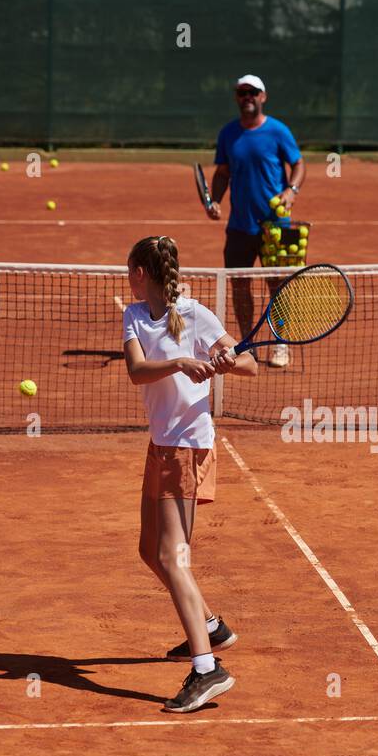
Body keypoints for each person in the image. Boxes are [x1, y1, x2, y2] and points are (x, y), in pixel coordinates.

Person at [121, 234, 259, 712]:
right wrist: (181, 361)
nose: (127, 276)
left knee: (173, 556)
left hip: (188, 449)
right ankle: (213, 627)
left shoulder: (197, 314)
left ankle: (207, 669)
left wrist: (224, 362)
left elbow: (250, 364)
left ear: (142, 273)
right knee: (148, 551)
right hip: (160, 445)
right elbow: (138, 372)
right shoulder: (134, 316)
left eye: (129, 269)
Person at [204, 74, 305, 367]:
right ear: (237, 97)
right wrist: (215, 201)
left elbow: (298, 164)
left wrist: (292, 190)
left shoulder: (278, 131)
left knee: (278, 284)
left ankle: (280, 342)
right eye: (242, 92)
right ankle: (248, 342)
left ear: (263, 96)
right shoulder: (228, 134)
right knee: (239, 284)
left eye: (252, 92)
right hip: (239, 225)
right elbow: (223, 172)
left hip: (276, 226)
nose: (247, 96)